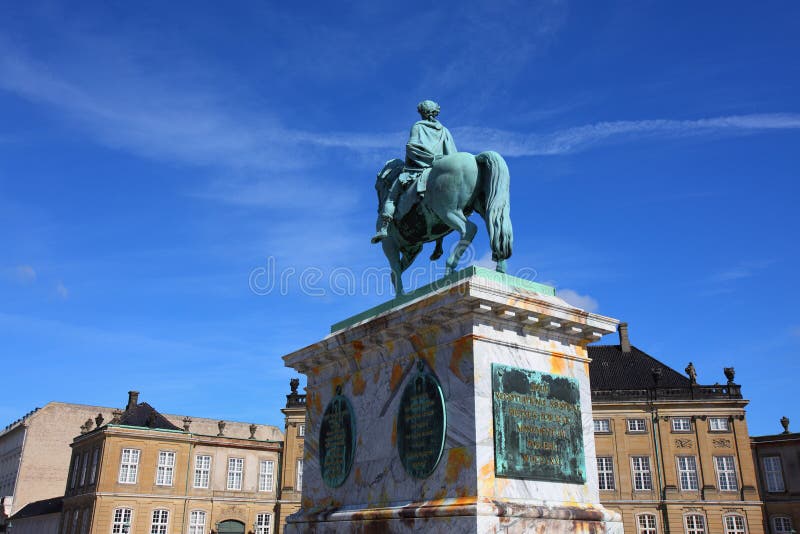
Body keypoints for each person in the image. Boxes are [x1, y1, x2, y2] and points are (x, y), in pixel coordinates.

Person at [371, 100, 457, 243]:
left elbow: (412, 147)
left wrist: (427, 159)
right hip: (442, 165)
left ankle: (384, 227)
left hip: (420, 167)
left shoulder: (418, 126)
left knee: (392, 196)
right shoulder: (445, 130)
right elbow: (452, 152)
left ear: (422, 112)